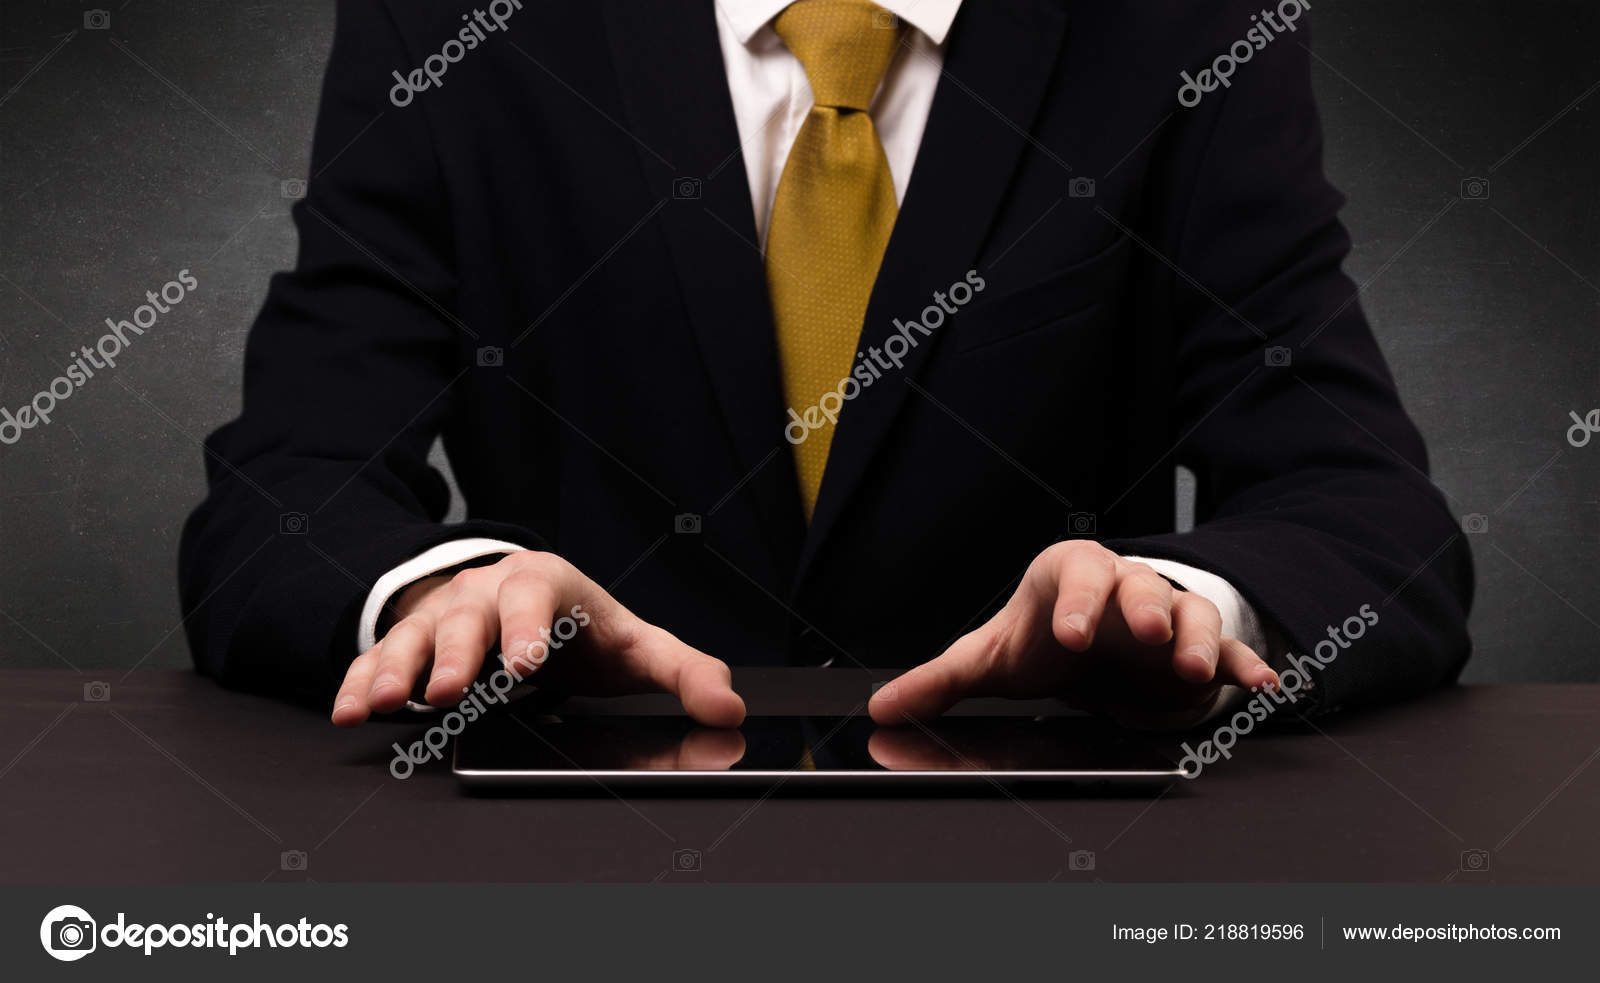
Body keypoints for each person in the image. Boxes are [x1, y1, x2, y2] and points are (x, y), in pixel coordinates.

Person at [180, 0, 1472, 732]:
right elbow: (281, 490)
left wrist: (1181, 608)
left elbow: (1374, 522)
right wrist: (449, 596)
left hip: (1048, 873)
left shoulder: (1185, 27)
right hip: (564, 867)